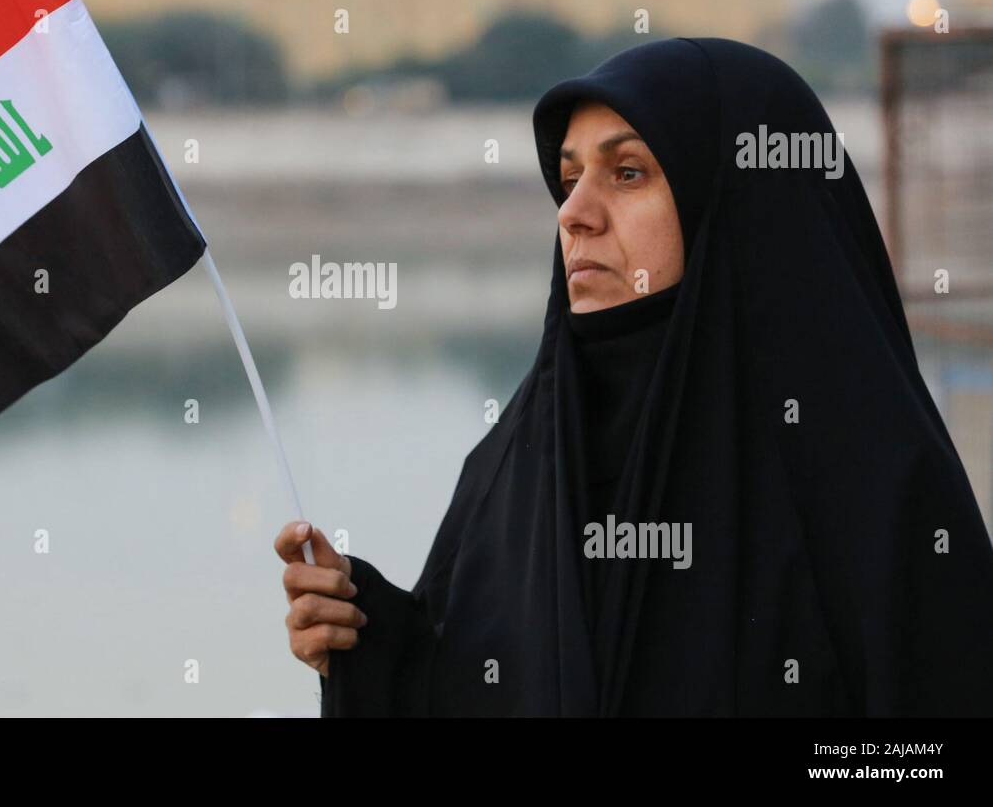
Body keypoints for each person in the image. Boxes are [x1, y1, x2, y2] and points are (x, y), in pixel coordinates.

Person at [274, 37, 993, 716]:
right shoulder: (518, 465)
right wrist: (367, 640)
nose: (575, 215)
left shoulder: (877, 487)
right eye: (567, 178)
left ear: (740, 202)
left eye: (627, 173)